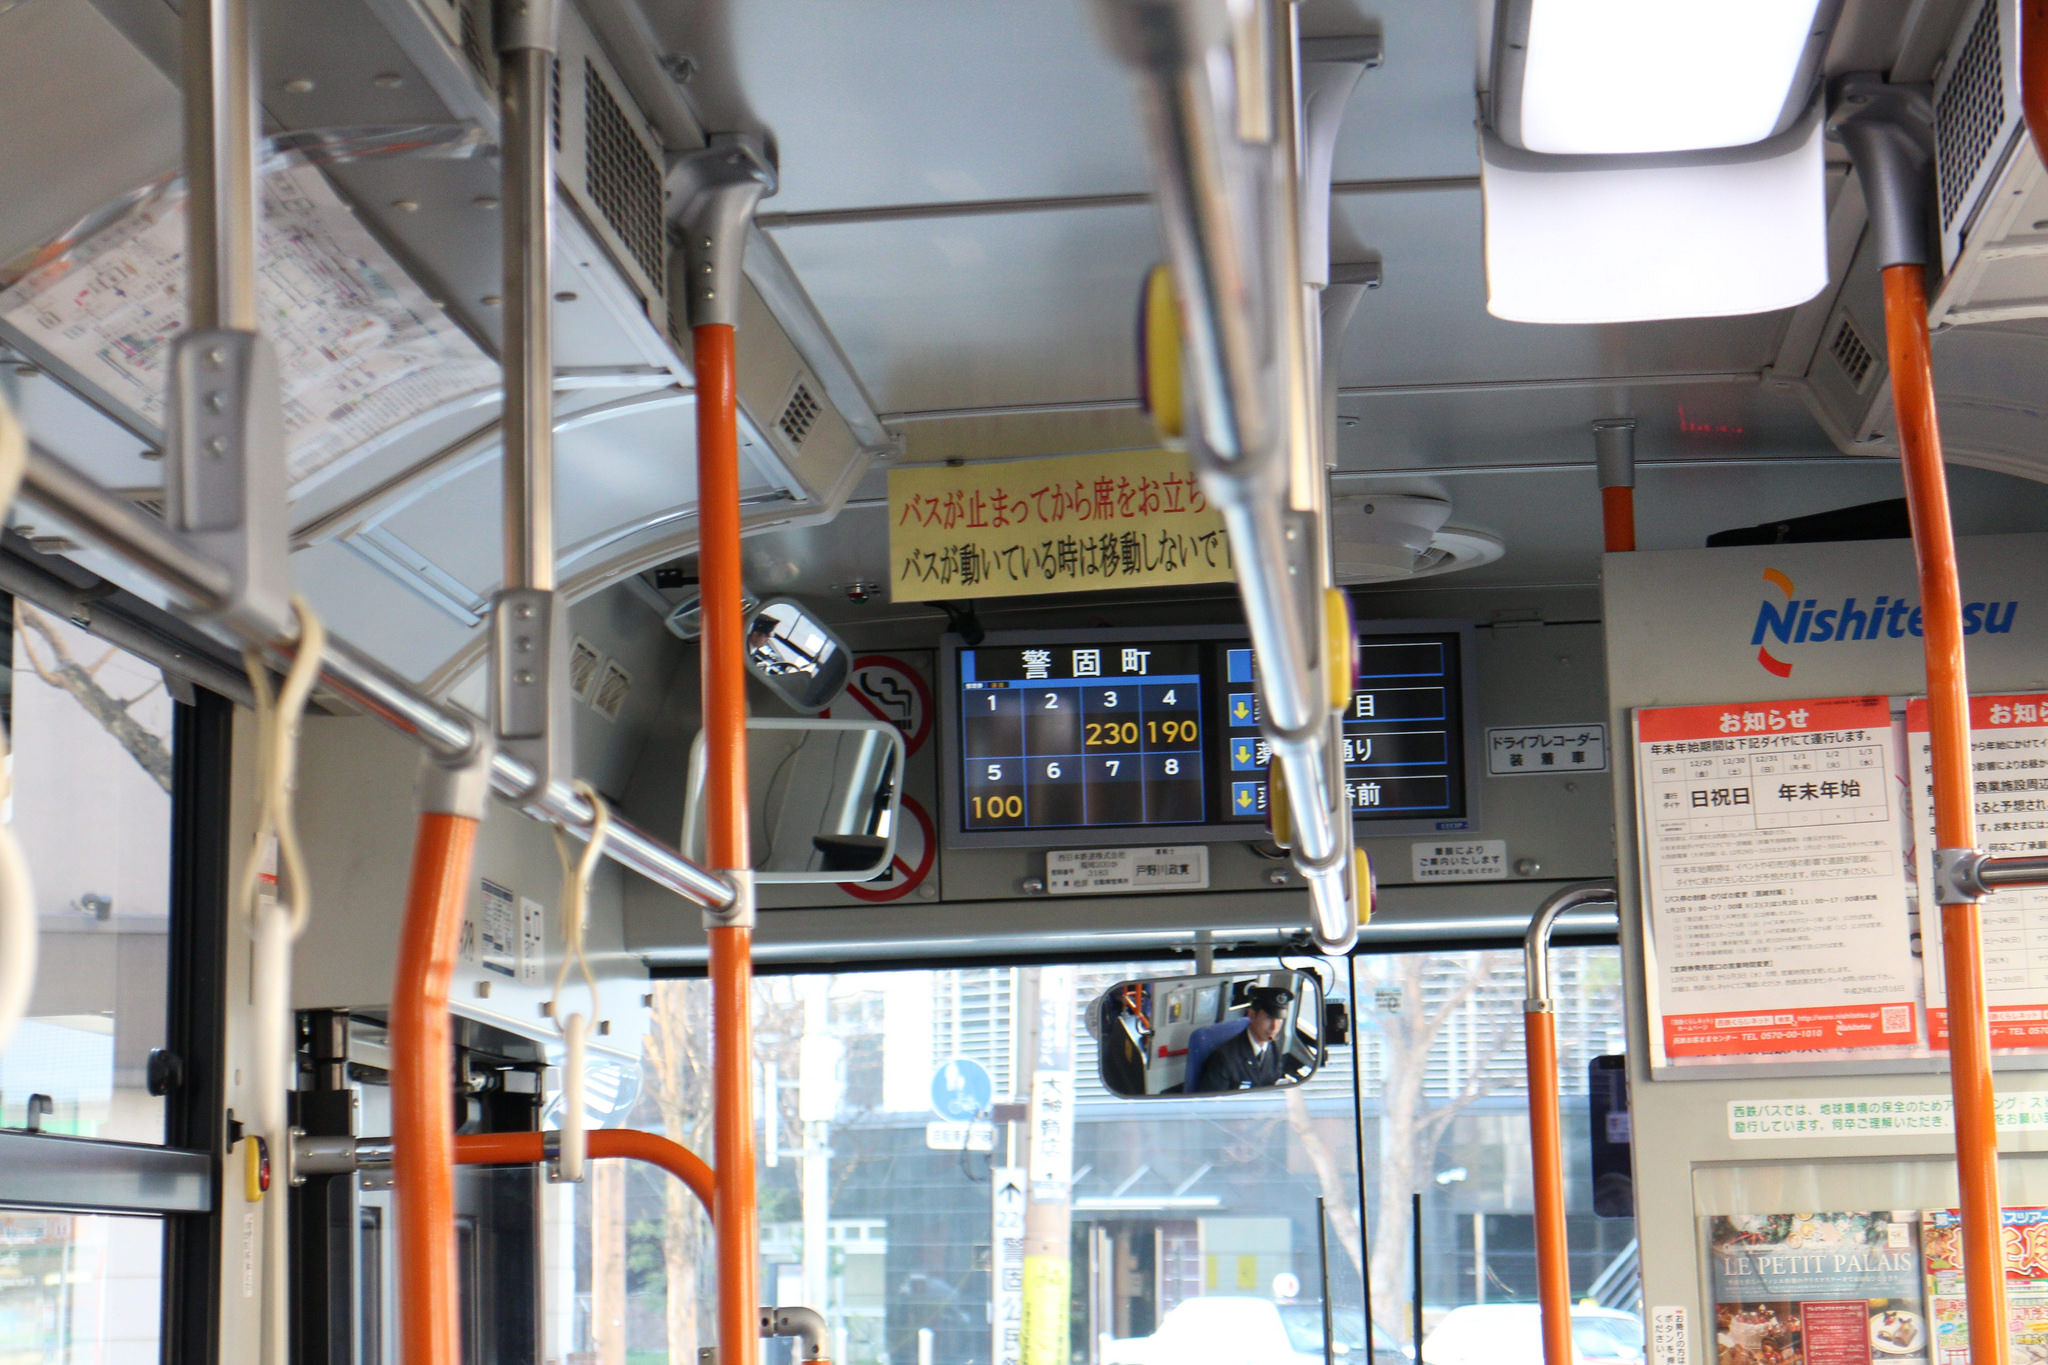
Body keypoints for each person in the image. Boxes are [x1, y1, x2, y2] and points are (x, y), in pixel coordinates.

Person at [1189, 984, 1294, 1093]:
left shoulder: (1273, 1049)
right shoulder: (1225, 1058)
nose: (1275, 1027)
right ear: (1252, 1015)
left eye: (1279, 1019)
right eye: (1269, 1018)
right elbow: (1211, 1105)